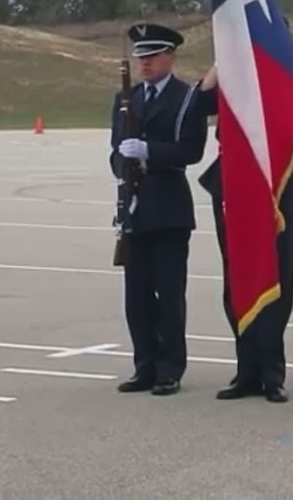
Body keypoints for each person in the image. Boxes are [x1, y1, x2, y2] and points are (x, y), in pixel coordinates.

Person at [108, 23, 209, 397]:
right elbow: (115, 150)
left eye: (152, 56)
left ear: (170, 56)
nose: (145, 63)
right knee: (136, 295)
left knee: (168, 292)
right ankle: (144, 365)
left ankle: (170, 367)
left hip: (168, 205)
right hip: (134, 206)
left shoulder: (186, 98)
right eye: (141, 57)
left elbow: (192, 151)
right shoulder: (126, 98)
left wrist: (150, 153)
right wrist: (124, 170)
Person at [191, 66, 293, 404]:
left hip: (272, 183)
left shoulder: (279, 71)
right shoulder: (231, 68)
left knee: (275, 275)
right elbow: (199, 104)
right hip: (233, 180)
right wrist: (225, 56)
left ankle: (271, 372)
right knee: (236, 275)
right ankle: (246, 368)